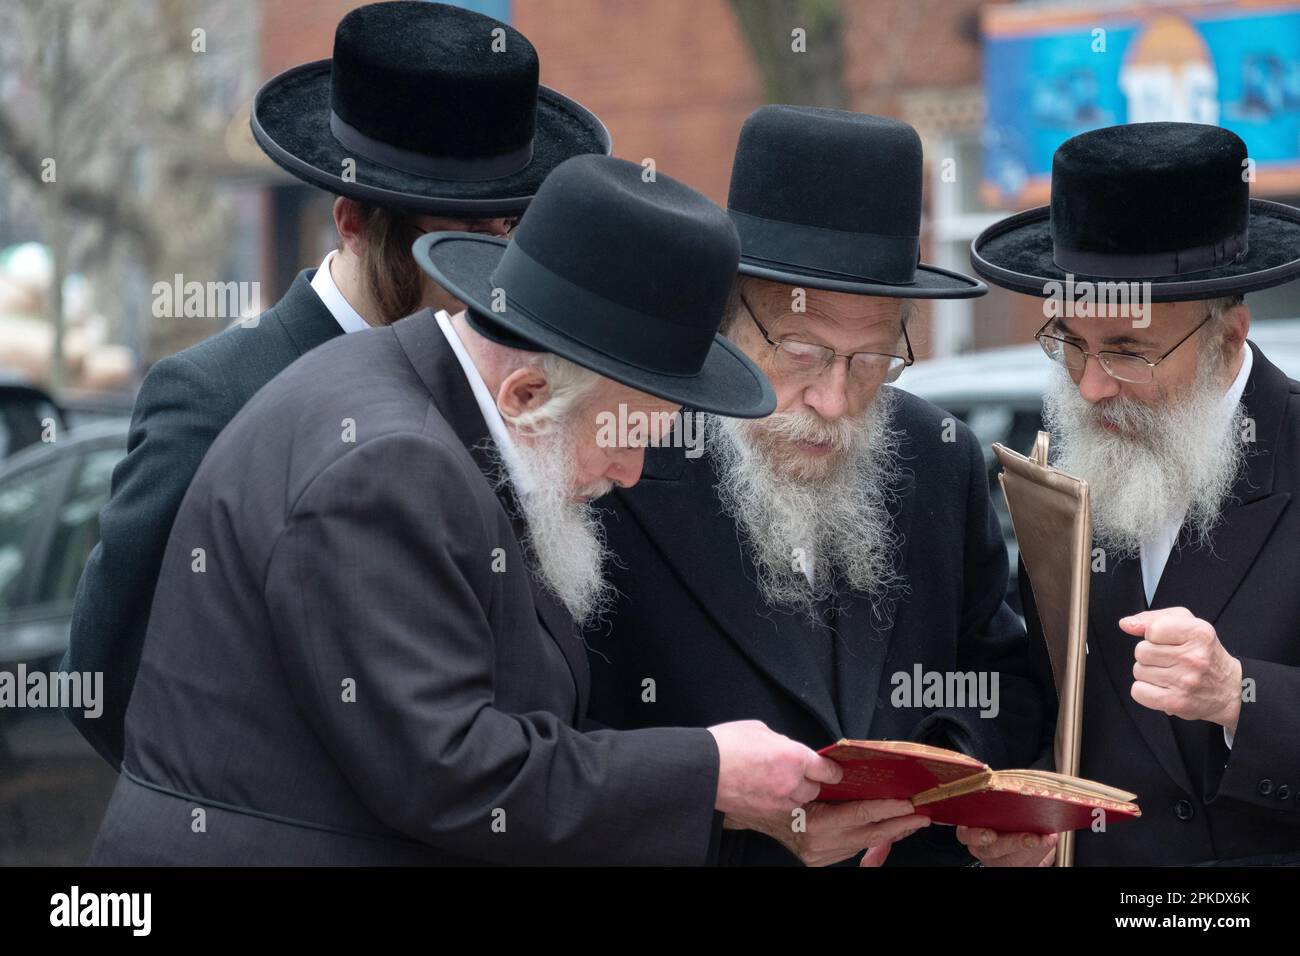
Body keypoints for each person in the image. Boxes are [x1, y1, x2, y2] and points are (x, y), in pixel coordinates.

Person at [88, 154, 843, 865]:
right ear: (525, 396)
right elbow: (449, 772)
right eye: (627, 433)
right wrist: (707, 773)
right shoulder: (389, 467)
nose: (631, 471)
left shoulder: (428, 401)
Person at [64, 0, 611, 768]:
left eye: (507, 236)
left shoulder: (515, 391)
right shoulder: (217, 393)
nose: (489, 279)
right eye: (455, 241)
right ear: (352, 222)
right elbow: (104, 681)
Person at [585, 106, 1049, 867]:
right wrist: (726, 811)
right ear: (726, 319)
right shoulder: (621, 464)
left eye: (869, 362)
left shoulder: (938, 458)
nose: (833, 400)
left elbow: (999, 679)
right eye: (801, 351)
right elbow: (561, 748)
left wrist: (939, 778)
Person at [970, 121, 1300, 865]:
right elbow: (1066, 719)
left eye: (1126, 351)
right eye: (1071, 343)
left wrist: (1237, 694)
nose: (1088, 387)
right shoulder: (1070, 470)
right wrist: (1036, 824)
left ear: (1228, 339)